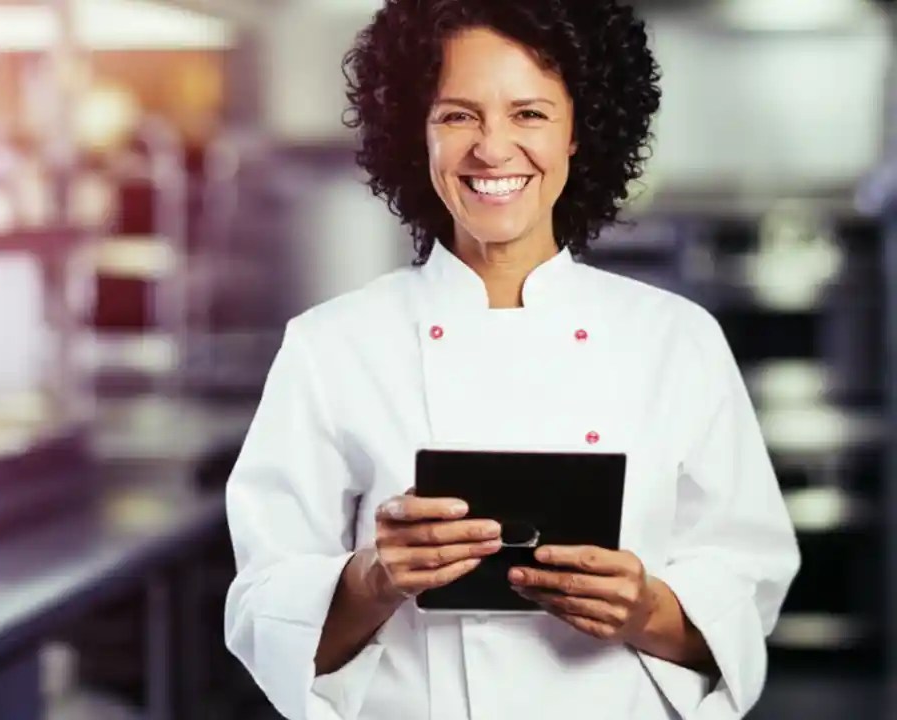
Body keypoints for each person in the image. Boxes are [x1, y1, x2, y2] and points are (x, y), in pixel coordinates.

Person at [222, 1, 801, 719]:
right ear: (415, 131)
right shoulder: (331, 346)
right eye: (457, 115)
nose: (492, 149)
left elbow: (746, 586)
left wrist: (646, 609)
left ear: (579, 130)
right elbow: (266, 613)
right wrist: (376, 579)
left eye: (529, 113)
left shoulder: (678, 341)